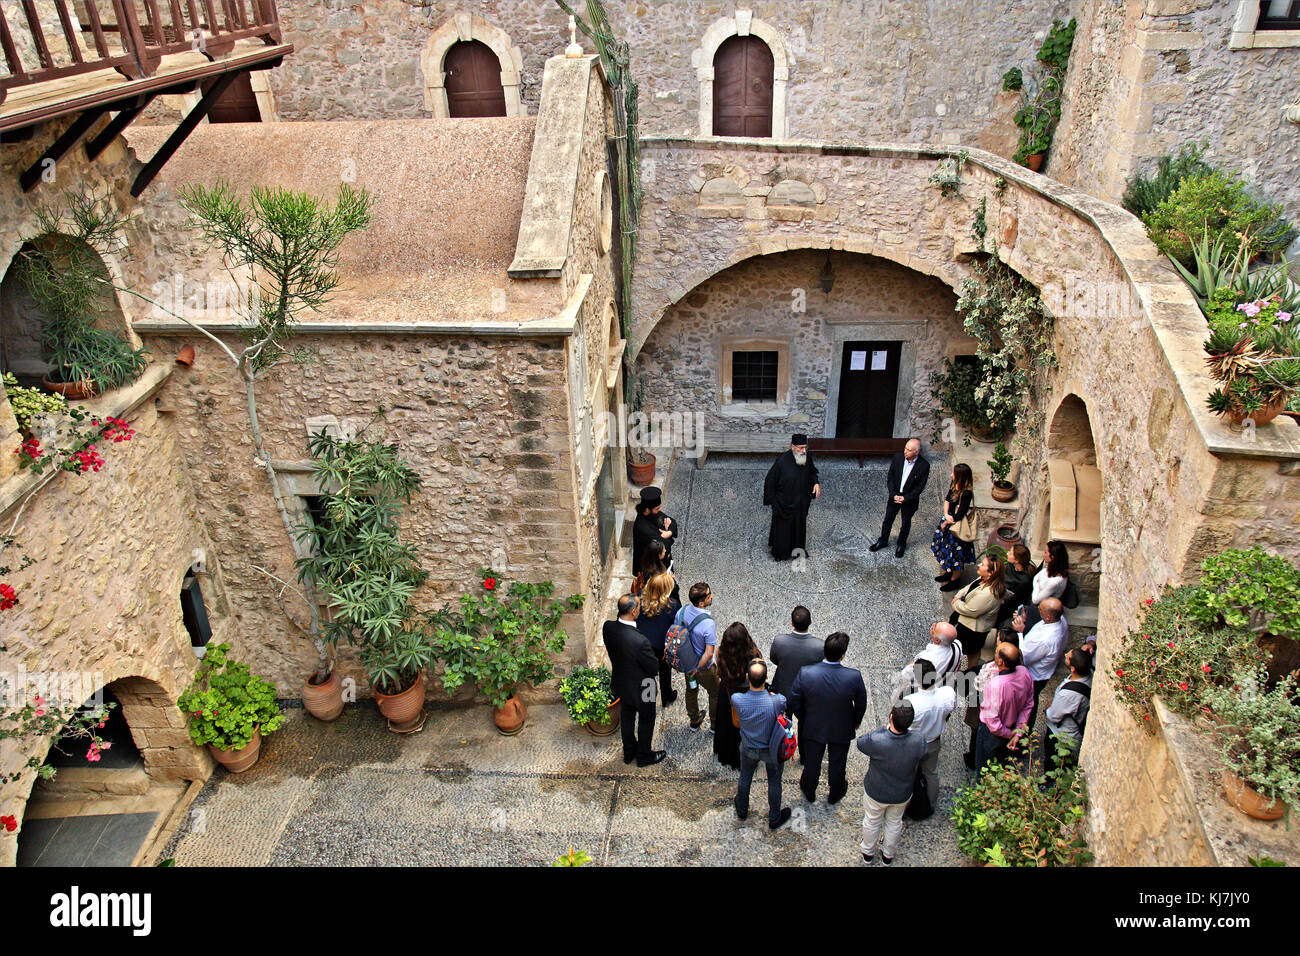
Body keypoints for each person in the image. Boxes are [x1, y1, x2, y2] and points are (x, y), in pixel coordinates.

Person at [789, 631, 867, 804]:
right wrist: (856, 721)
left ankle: (809, 789)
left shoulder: (806, 673)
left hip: (813, 725)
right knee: (838, 762)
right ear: (842, 655)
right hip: (841, 727)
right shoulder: (853, 676)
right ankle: (835, 791)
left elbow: (794, 699)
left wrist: (804, 717)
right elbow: (861, 703)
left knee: (812, 761)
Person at [856, 701, 928, 865]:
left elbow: (861, 743)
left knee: (872, 821)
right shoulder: (918, 741)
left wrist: (883, 729)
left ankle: (868, 852)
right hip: (902, 792)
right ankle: (888, 855)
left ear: (891, 717)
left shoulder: (877, 739)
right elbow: (924, 755)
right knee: (895, 822)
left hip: (876, 791)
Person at [602, 594, 664, 767]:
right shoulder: (640, 641)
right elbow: (653, 668)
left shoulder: (608, 627)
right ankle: (644, 756)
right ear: (634, 612)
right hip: (645, 686)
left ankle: (629, 752)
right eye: (639, 606)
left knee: (627, 716)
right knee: (647, 719)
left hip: (621, 682)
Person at [732, 659, 793, 830]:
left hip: (749, 747)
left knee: (745, 777)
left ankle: (742, 809)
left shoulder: (737, 699)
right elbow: (783, 704)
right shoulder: (778, 701)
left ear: (747, 677)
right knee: (774, 781)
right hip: (771, 750)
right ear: (766, 677)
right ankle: (774, 817)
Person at [902, 659, 957, 800]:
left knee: (907, 774)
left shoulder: (911, 702)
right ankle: (931, 803)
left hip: (913, 743)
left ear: (918, 680)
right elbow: (950, 710)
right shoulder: (948, 693)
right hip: (933, 741)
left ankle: (905, 803)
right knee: (931, 773)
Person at [974, 643, 1033, 775]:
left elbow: (991, 719)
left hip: (992, 734)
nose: (994, 654)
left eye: (996, 652)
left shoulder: (996, 684)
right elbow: (1028, 705)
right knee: (1001, 766)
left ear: (1000, 661)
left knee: (984, 769)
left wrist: (1008, 734)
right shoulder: (1024, 672)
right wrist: (1017, 732)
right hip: (1012, 727)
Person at [1017, 596, 1069, 743]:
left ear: (1047, 616)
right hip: (1044, 671)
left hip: (1035, 675)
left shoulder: (1045, 639)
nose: (1037, 610)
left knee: (1028, 705)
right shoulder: (1060, 620)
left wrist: (1020, 632)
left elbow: (1024, 656)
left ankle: (1023, 735)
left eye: (1040, 609)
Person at [963, 631, 1018, 770]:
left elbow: (979, 686)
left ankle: (974, 761)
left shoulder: (992, 672)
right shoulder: (1020, 670)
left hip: (985, 711)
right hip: (1006, 716)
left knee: (978, 735)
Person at [868, 437, 930, 558]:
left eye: (909, 450)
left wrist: (906, 498)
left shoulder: (924, 465)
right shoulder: (897, 458)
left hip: (909, 500)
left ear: (917, 452)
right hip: (895, 495)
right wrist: (893, 494)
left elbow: (920, 487)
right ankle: (883, 540)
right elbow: (890, 477)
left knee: (906, 522)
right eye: (905, 448)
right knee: (888, 520)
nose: (905, 451)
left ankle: (901, 544)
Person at [764, 433, 821, 560]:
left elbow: (812, 471)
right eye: (800, 448)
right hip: (785, 504)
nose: (803, 451)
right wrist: (774, 502)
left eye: (805, 447)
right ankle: (781, 554)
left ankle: (797, 551)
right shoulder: (782, 462)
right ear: (792, 447)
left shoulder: (807, 456)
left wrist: (816, 482)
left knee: (799, 528)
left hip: (801, 502)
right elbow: (769, 481)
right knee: (783, 530)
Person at [714, 622, 761, 770]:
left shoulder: (720, 653)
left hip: (727, 693)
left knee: (727, 724)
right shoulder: (754, 656)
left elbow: (719, 673)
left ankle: (726, 754)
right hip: (747, 695)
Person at [951, 552, 1008, 670]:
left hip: (972, 629)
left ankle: (965, 673)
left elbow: (970, 610)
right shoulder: (985, 579)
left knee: (964, 651)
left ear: (991, 572)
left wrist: (955, 602)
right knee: (971, 651)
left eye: (982, 565)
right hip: (967, 624)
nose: (979, 566)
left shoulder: (989, 594)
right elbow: (969, 587)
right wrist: (958, 595)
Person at [675, 582, 718, 731]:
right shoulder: (708, 624)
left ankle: (694, 720)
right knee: (715, 693)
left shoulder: (681, 612)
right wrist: (698, 667)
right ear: (701, 603)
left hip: (687, 663)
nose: (711, 596)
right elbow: (709, 652)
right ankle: (714, 725)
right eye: (709, 595)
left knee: (691, 690)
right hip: (703, 667)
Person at [1044, 648, 1092, 776]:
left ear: (1073, 669)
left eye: (1068, 657)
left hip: (1061, 735)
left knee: (1053, 764)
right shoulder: (1088, 676)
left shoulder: (1068, 694)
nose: (1065, 655)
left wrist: (1048, 710)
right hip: (1072, 730)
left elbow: (1053, 716)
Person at [635, 571, 680, 706]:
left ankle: (647, 699)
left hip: (643, 643)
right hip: (662, 645)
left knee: (647, 672)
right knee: (665, 672)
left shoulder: (639, 599)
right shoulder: (671, 605)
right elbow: (677, 623)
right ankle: (666, 696)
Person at [932, 463, 976, 591]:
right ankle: (948, 574)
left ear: (960, 476)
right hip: (948, 520)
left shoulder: (966, 493)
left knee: (956, 555)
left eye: (954, 473)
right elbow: (947, 499)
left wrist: (946, 522)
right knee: (947, 552)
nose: (951, 474)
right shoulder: (954, 483)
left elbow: (960, 514)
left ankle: (954, 581)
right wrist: (945, 514)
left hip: (956, 527)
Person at [893, 622, 964, 700]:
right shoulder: (958, 646)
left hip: (922, 695)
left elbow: (906, 675)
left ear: (937, 640)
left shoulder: (926, 659)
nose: (932, 626)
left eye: (934, 628)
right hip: (941, 692)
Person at [1023, 540, 1069, 629]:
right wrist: (1037, 580)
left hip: (1040, 611)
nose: (1043, 554)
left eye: (1046, 552)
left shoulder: (1055, 581)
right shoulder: (1049, 568)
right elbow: (1037, 576)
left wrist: (1036, 583)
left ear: (1053, 557)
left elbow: (1036, 600)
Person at [632, 486, 677, 578]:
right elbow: (665, 544)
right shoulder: (642, 527)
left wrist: (669, 532)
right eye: (657, 509)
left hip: (662, 561)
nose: (660, 510)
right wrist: (666, 534)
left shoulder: (653, 514)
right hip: (653, 567)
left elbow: (672, 522)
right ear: (647, 510)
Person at [996, 543, 1036, 628]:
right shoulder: (1010, 567)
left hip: (1009, 609)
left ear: (1017, 560)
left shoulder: (1024, 581)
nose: (1007, 553)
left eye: (1010, 553)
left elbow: (1013, 599)